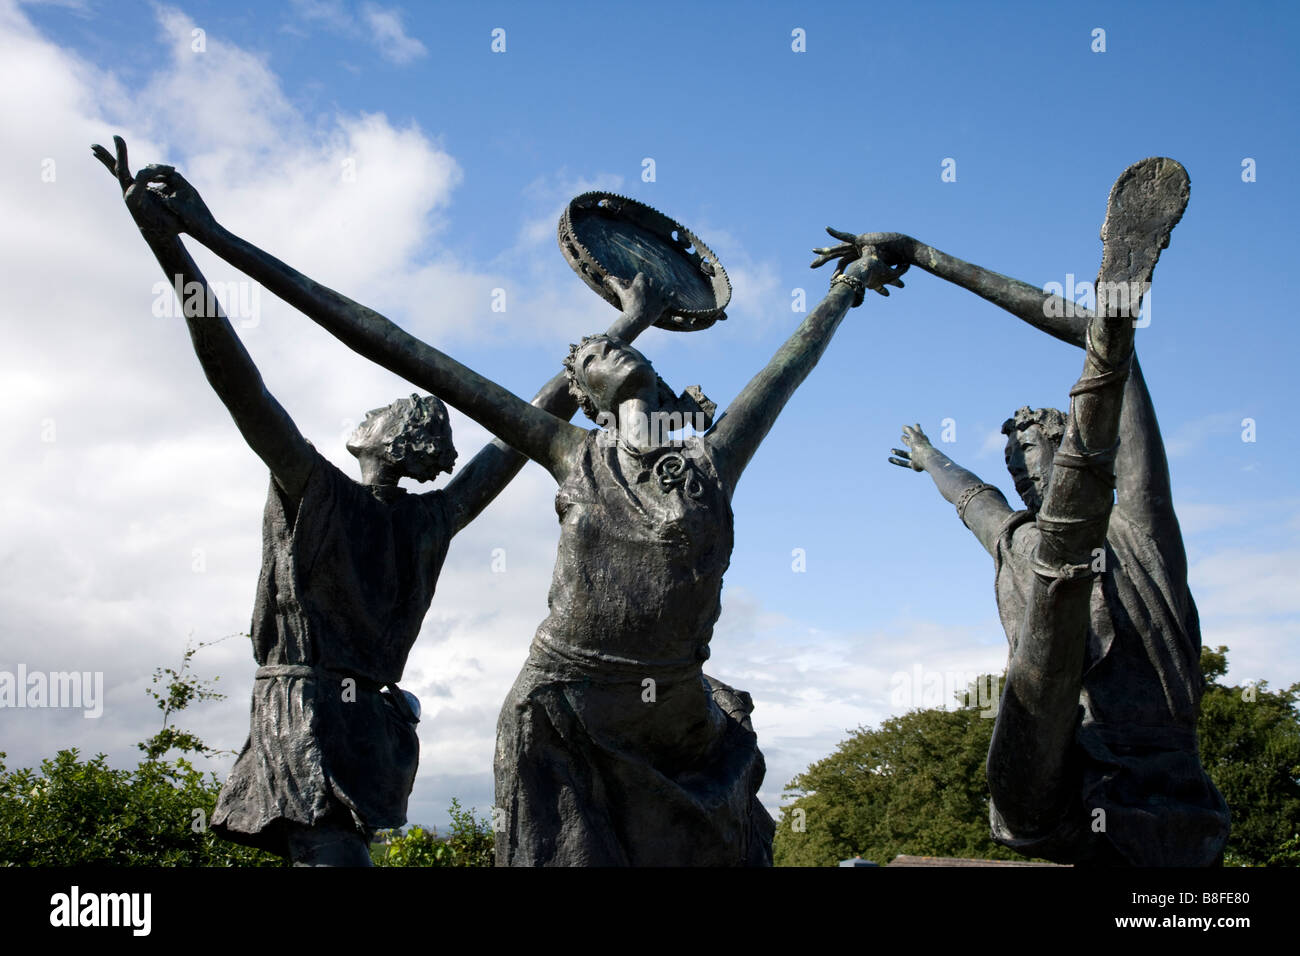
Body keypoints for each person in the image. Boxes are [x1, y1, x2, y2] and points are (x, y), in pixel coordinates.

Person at [126, 150, 908, 864]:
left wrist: (846, 286)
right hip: (563, 703)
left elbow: (787, 367)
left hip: (667, 695)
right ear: (590, 398)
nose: (600, 349)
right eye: (593, 354)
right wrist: (201, 240)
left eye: (609, 346)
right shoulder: (565, 454)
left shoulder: (706, 461)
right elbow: (369, 336)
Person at [93, 137, 669, 865]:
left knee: (330, 854)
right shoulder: (434, 519)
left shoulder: (316, 490)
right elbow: (526, 427)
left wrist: (172, 255)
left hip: (308, 716)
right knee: (336, 850)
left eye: (380, 411)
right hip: (372, 724)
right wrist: (625, 327)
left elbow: (238, 380)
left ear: (377, 440)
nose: (366, 416)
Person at [861, 158, 1229, 865]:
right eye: (1017, 458)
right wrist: (928, 456)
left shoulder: (1142, 526)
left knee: (1107, 354)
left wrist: (927, 257)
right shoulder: (1018, 540)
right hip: (1060, 777)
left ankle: (1112, 335)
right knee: (1037, 622)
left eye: (1041, 444)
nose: (1026, 463)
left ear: (1076, 439)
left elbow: (1090, 345)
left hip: (1158, 775)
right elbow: (974, 500)